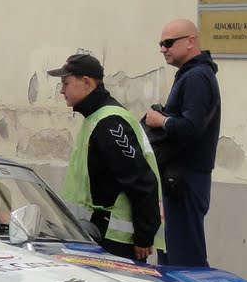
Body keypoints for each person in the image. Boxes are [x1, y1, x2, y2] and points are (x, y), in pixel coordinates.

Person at [49, 51, 162, 263]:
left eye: (66, 83)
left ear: (86, 82)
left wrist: (143, 237)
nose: (62, 91)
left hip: (116, 240)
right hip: (95, 233)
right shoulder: (95, 117)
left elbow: (141, 182)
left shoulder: (110, 123)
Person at [141, 19, 221, 268]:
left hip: (185, 178)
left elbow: (191, 128)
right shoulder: (191, 75)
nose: (163, 49)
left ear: (190, 42)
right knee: (171, 254)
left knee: (184, 260)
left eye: (168, 43)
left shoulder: (197, 77)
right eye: (161, 44)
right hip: (177, 179)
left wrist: (160, 120)